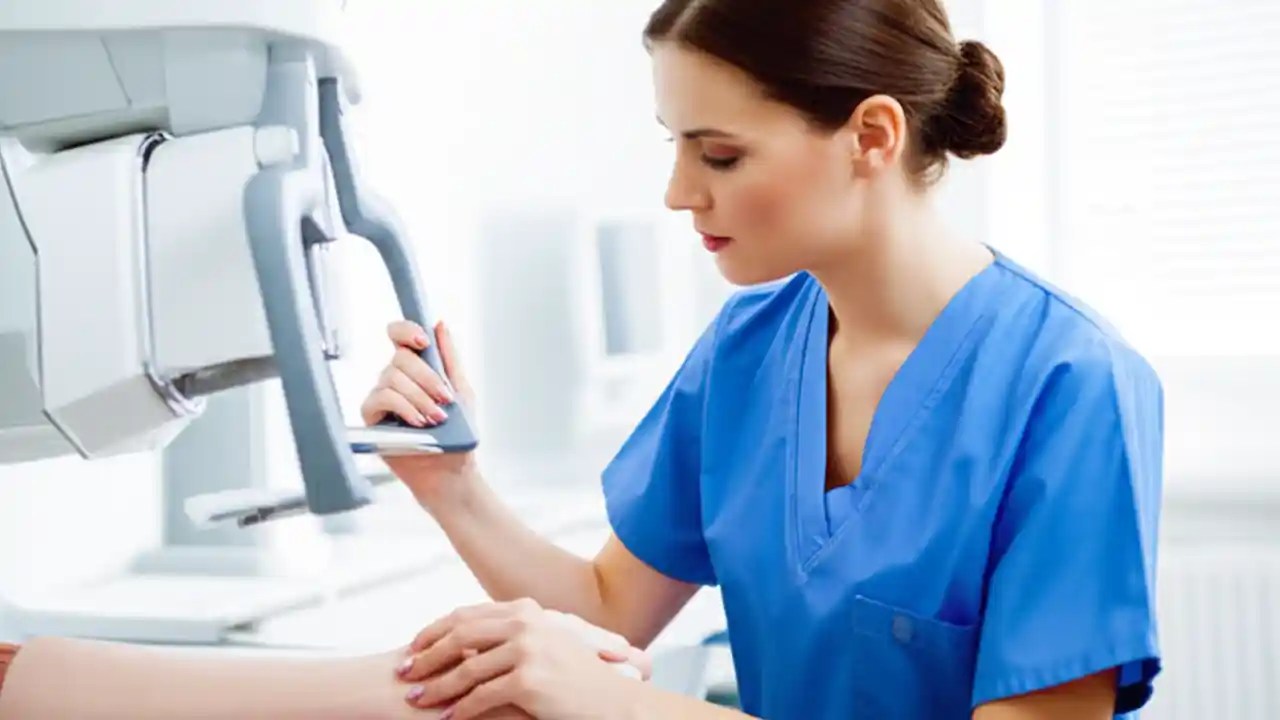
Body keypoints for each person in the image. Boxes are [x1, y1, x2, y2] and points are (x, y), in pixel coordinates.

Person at [364, 0, 1165, 718]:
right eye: (675, 147)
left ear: (872, 136)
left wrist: (624, 708)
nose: (679, 193)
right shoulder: (747, 349)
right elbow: (606, 615)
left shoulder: (1070, 384)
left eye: (719, 156)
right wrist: (453, 488)